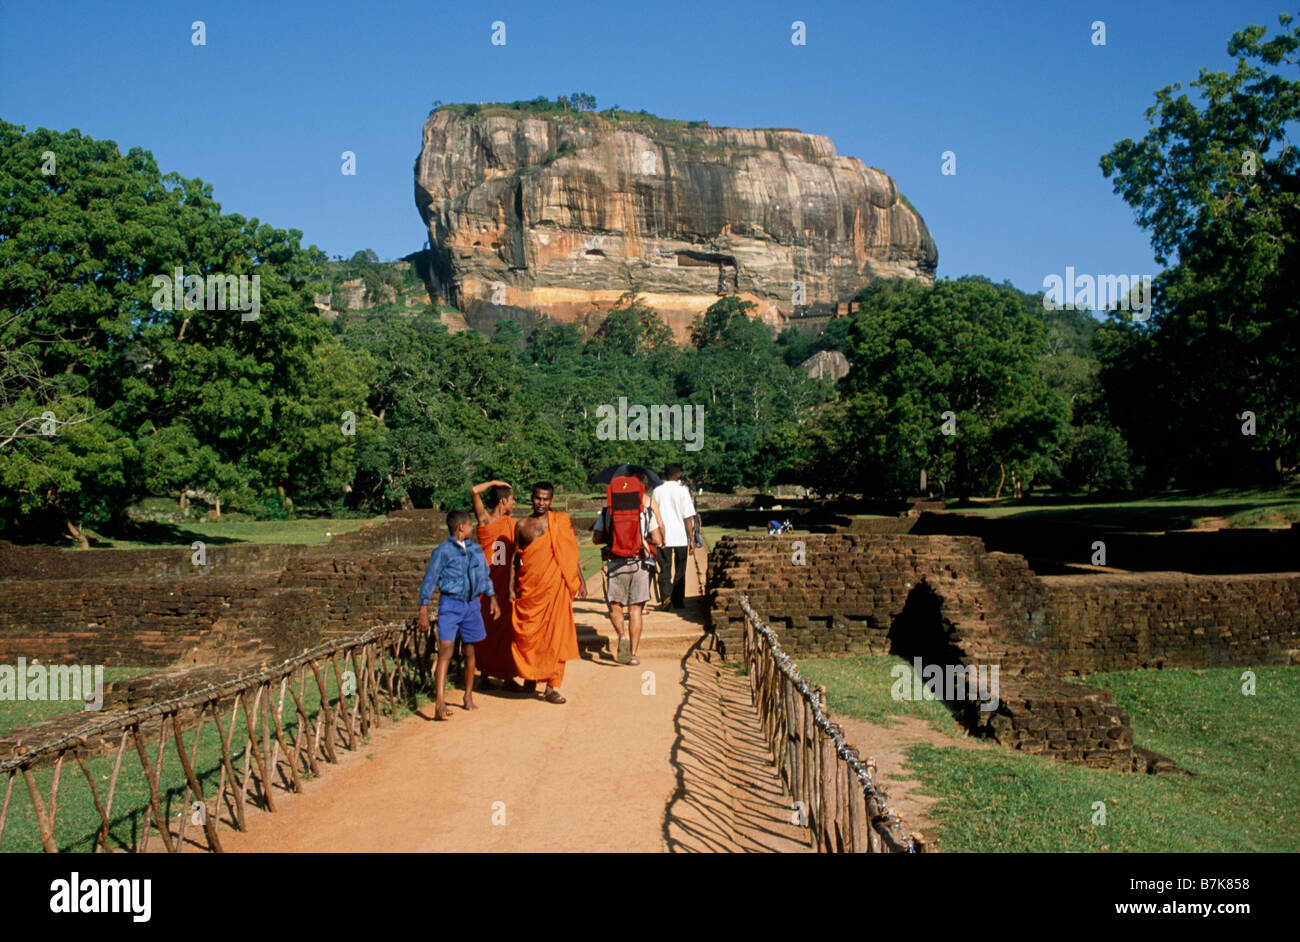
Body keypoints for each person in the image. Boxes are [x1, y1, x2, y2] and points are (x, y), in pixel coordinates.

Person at [416, 510, 500, 720]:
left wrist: (492, 598)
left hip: (471, 605)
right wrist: (423, 610)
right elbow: (430, 580)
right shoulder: (442, 552)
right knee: (446, 649)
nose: (473, 528)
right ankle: (439, 703)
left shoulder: (475, 550)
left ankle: (468, 695)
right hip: (450, 605)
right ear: (461, 527)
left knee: (470, 650)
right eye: (471, 525)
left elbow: (484, 576)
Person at [510, 482, 586, 704]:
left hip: (555, 589)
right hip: (530, 589)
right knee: (529, 636)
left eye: (546, 499)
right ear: (531, 498)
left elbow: (570, 553)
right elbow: (516, 559)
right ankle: (531, 677)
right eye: (538, 498)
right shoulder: (522, 525)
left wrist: (579, 579)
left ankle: (552, 686)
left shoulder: (560, 521)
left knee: (556, 636)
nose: (541, 503)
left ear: (552, 500)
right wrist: (509, 588)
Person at [593, 470, 664, 666]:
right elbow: (657, 539)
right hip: (638, 563)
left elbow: (596, 538)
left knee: (615, 605)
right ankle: (632, 654)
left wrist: (612, 538)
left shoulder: (608, 511)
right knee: (635, 609)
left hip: (615, 562)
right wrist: (643, 540)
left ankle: (621, 636)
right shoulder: (644, 512)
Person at [471, 479, 522, 691]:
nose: (515, 503)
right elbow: (474, 491)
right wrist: (493, 482)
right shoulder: (486, 520)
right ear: (503, 500)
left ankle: (507, 676)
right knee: (487, 628)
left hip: (505, 582)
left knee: (507, 629)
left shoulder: (512, 524)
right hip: (487, 583)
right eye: (512, 499)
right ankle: (484, 673)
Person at [652, 464, 698, 610]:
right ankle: (678, 600)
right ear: (678, 475)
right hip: (680, 537)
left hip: (662, 536)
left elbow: (653, 515)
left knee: (664, 568)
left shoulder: (656, 491)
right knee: (680, 569)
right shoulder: (682, 491)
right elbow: (688, 518)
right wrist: (691, 538)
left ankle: (666, 596)